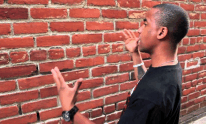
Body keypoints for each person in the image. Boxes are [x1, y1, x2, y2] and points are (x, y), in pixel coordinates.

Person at [51, 3, 189, 124]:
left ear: (161, 32)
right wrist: (135, 54)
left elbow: (149, 91)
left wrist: (70, 110)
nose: (139, 30)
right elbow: (145, 81)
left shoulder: (149, 97)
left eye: (145, 23)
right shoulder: (171, 68)